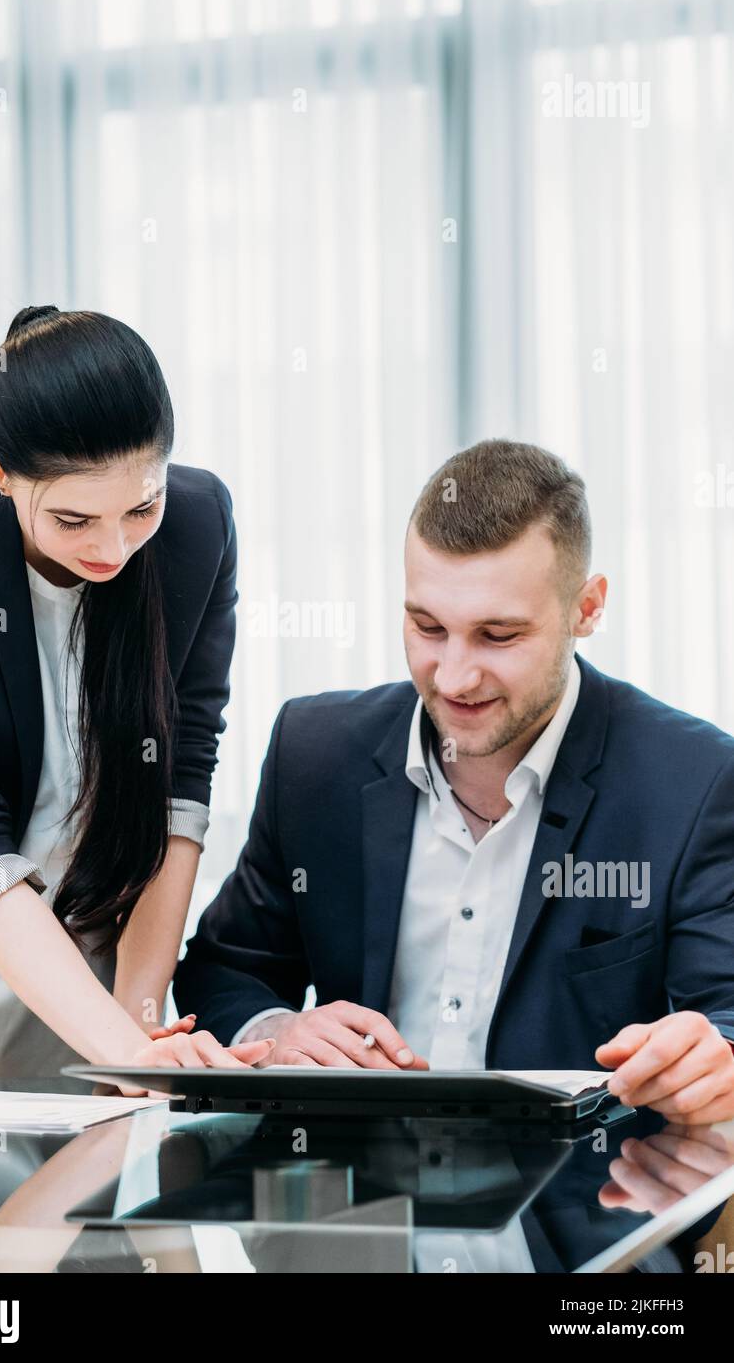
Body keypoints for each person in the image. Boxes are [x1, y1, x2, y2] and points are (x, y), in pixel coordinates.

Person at [174, 439, 734, 1124]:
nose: (455, 676)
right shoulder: (314, 754)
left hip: (584, 1209)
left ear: (587, 609)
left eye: (498, 636)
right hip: (358, 1211)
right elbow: (227, 968)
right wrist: (274, 1029)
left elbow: (726, 1014)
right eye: (428, 627)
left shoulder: (692, 781)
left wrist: (718, 1055)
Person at [0, 305, 273, 1088]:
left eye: (140, 507)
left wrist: (139, 1025)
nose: (114, 548)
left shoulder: (198, 528)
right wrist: (122, 1051)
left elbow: (181, 779)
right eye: (73, 518)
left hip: (86, 981)